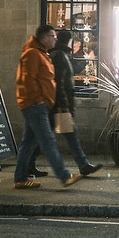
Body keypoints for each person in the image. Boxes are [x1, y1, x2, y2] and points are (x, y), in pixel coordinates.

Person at [13, 24, 81, 190]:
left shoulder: (40, 53)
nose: (55, 39)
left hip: (37, 104)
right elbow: (28, 81)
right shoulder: (33, 54)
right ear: (44, 38)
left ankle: (20, 178)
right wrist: (39, 100)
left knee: (28, 142)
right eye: (53, 36)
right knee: (48, 141)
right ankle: (64, 176)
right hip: (35, 105)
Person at [28, 29, 103, 179]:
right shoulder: (60, 56)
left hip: (56, 105)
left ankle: (29, 163)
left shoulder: (60, 55)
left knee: (49, 136)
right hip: (58, 106)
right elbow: (59, 83)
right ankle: (81, 165)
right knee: (66, 135)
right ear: (68, 41)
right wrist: (64, 105)